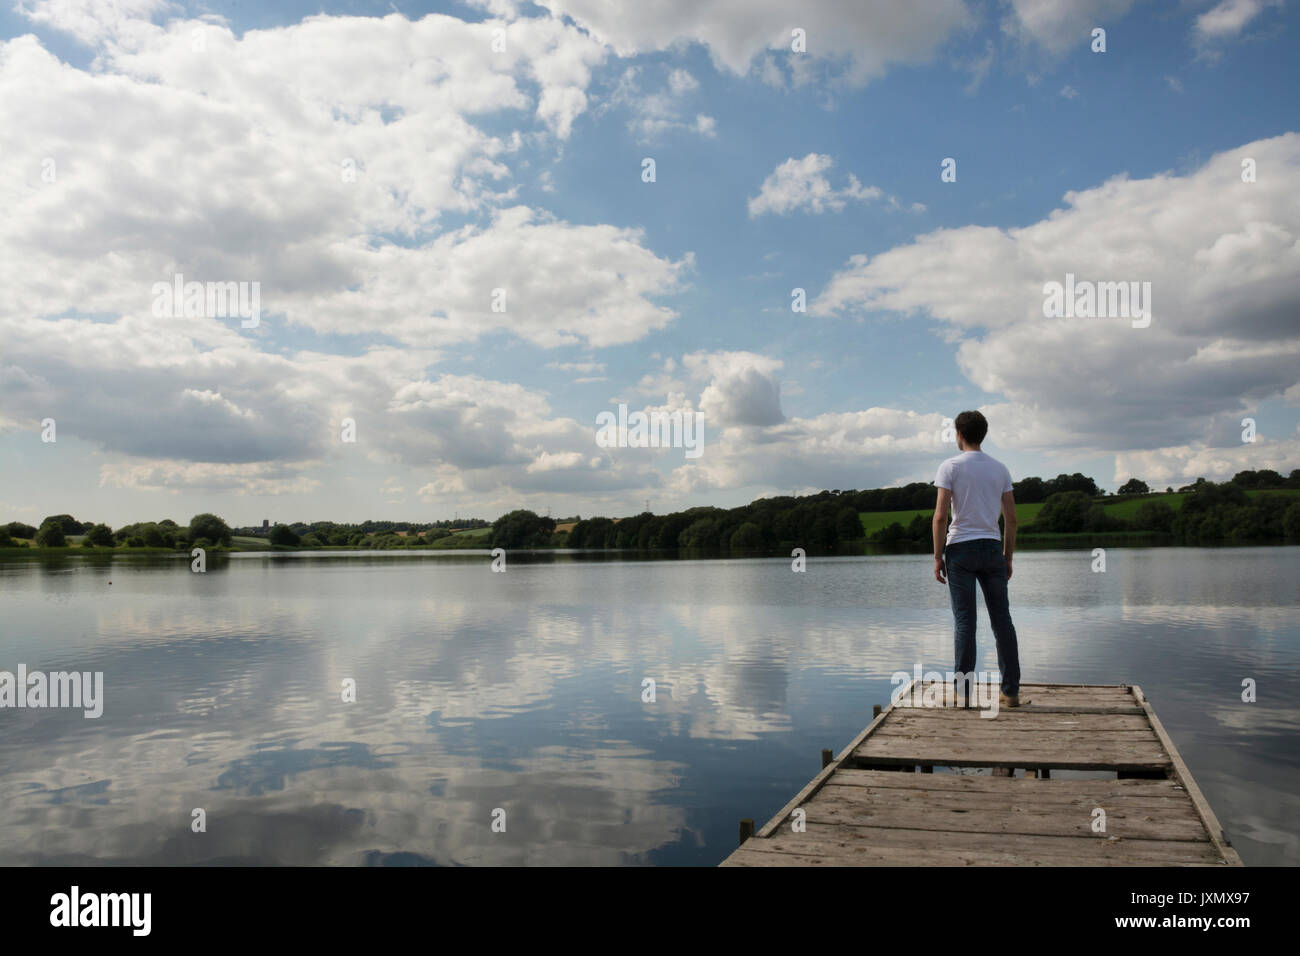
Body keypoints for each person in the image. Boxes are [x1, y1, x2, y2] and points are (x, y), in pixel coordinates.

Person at [932, 410, 1026, 708]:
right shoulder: (1000, 469)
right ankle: (1010, 693)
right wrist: (1007, 557)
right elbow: (1011, 519)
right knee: (1002, 621)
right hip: (991, 548)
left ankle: (963, 696)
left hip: (960, 549)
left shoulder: (950, 467)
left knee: (965, 623)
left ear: (959, 434)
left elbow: (940, 516)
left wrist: (937, 557)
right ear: (982, 434)